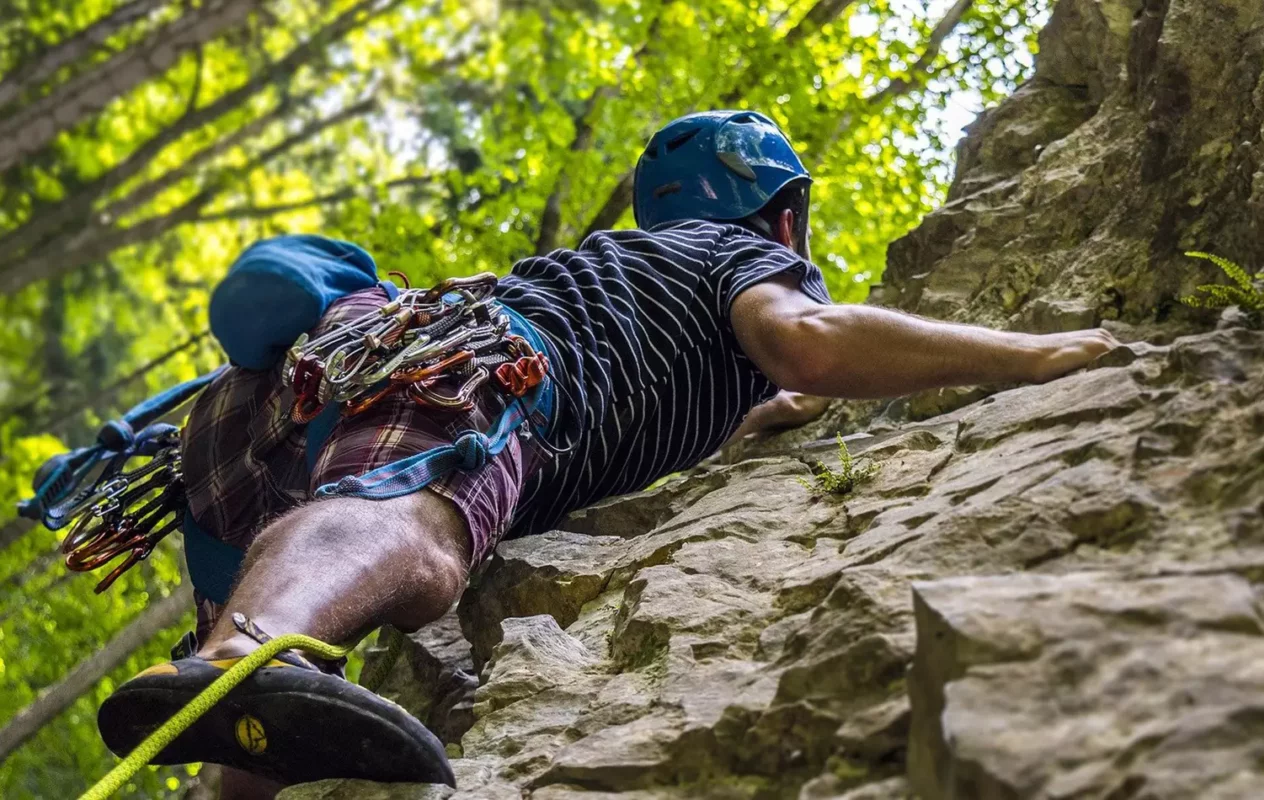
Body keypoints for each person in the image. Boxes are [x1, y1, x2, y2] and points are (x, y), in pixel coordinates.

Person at [97, 110, 1118, 796]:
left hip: (251, 427)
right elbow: (806, 339)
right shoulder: (739, 257)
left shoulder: (638, 285)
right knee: (418, 526)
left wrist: (763, 416)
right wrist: (1036, 353)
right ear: (784, 215)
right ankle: (242, 651)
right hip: (472, 367)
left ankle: (234, 708)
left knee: (261, 701)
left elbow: (732, 398)